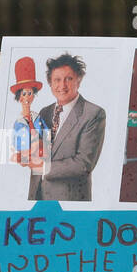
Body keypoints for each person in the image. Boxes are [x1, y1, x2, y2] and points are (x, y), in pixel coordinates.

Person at [29, 53, 106, 202]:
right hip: (37, 199)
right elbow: (39, 153)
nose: (62, 86)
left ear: (79, 79)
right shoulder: (45, 112)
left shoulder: (93, 114)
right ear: (50, 83)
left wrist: (44, 167)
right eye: (57, 80)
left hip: (69, 203)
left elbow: (83, 164)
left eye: (68, 79)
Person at [7, 57, 48, 179]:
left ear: (33, 96)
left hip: (42, 153)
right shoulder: (18, 123)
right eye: (24, 94)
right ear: (19, 97)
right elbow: (16, 142)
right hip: (27, 156)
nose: (27, 97)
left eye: (30, 93)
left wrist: (44, 143)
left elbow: (46, 134)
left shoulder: (37, 118)